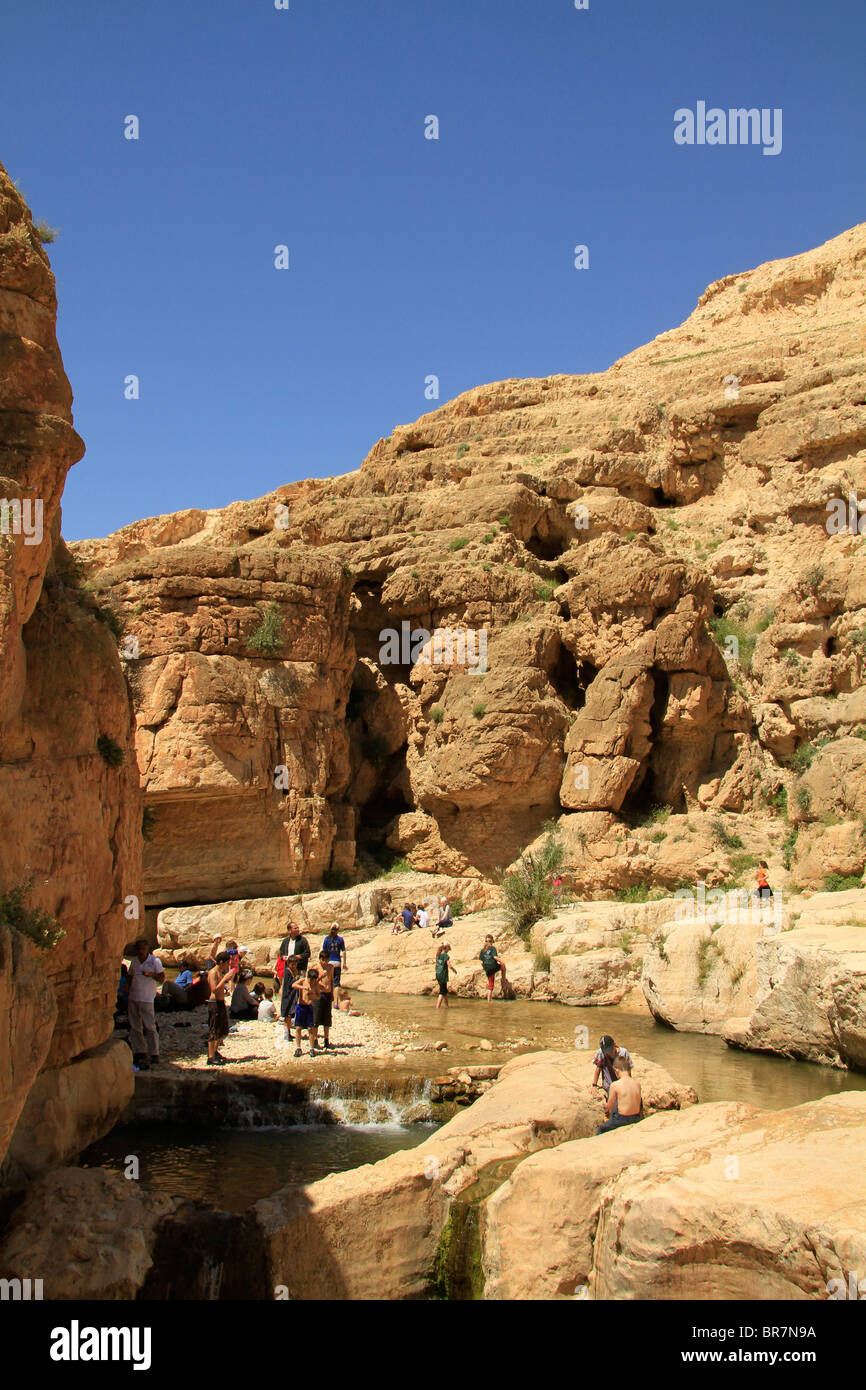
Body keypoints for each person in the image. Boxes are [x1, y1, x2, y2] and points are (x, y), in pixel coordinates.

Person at [127, 938, 165, 1070]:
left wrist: (151, 974)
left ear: (147, 949)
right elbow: (130, 977)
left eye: (143, 949)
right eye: (139, 949)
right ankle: (140, 1051)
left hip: (147, 998)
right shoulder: (134, 961)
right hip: (133, 997)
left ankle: (154, 1053)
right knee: (135, 1026)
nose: (141, 951)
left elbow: (162, 978)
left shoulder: (155, 961)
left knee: (150, 1026)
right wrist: (126, 991)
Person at [206, 951, 237, 1065]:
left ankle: (215, 1051)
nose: (228, 965)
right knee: (214, 1029)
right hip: (214, 1003)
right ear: (221, 962)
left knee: (222, 1029)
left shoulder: (220, 971)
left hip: (220, 1002)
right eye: (227, 962)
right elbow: (214, 989)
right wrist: (225, 979)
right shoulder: (213, 973)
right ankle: (210, 1057)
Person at [278, 923, 310, 1033]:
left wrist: (297, 957)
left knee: (300, 992)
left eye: (297, 927)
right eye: (295, 928)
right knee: (288, 991)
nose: (298, 929)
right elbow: (281, 952)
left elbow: (307, 953)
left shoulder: (303, 940)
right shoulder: (286, 941)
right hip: (288, 969)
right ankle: (287, 1015)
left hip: (300, 968)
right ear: (289, 930)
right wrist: (283, 957)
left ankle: (300, 1016)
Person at [595, 1063, 642, 1135]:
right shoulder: (637, 1084)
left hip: (622, 1118)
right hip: (636, 1117)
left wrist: (605, 1105)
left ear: (616, 1070)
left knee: (602, 1129)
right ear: (629, 1070)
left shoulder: (615, 1084)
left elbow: (609, 1107)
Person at [294, 967, 320, 1057]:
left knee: (310, 1028)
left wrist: (313, 994)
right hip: (300, 1006)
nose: (311, 982)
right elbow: (293, 985)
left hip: (309, 1006)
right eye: (310, 979)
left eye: (313, 980)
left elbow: (318, 996)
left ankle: (311, 1048)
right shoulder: (303, 980)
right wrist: (303, 987)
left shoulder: (316, 984)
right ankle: (298, 1047)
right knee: (298, 1028)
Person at [314, 952, 335, 1048]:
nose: (325, 962)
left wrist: (332, 993)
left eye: (327, 960)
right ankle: (314, 1039)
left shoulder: (331, 967)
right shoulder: (316, 967)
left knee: (327, 1018)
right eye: (323, 960)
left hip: (327, 994)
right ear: (320, 959)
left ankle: (326, 1040)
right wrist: (320, 978)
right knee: (316, 1017)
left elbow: (331, 981)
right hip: (318, 994)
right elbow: (312, 981)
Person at [321, 923, 347, 1004]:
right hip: (337, 963)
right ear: (338, 930)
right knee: (336, 983)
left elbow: (323, 952)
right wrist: (344, 963)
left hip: (329, 962)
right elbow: (344, 952)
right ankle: (336, 1003)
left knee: (329, 981)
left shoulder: (326, 939)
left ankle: (328, 1000)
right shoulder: (340, 939)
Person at [479, 935, 508, 1003]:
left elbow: (481, 962)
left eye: (489, 941)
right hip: (493, 966)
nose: (488, 942)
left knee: (490, 985)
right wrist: (502, 961)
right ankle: (503, 980)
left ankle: (489, 1002)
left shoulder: (482, 950)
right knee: (503, 965)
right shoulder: (492, 948)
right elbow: (495, 957)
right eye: (487, 941)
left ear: (491, 941)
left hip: (488, 969)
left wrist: (485, 969)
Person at [435, 941, 457, 1009]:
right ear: (446, 948)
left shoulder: (438, 954)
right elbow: (449, 965)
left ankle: (446, 1006)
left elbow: (436, 965)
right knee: (442, 992)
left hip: (438, 974)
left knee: (445, 991)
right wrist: (454, 970)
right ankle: (437, 1008)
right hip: (443, 975)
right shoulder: (445, 955)